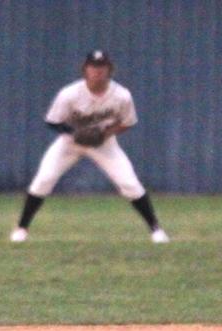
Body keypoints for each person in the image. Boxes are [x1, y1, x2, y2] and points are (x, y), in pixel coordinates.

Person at [10, 50, 168, 244]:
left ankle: (156, 229)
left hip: (103, 143)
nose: (97, 71)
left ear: (109, 70)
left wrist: (104, 134)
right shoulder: (70, 94)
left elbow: (127, 122)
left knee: (129, 183)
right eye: (93, 67)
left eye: (102, 67)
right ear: (85, 69)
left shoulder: (122, 96)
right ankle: (21, 229)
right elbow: (52, 122)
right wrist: (75, 134)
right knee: (44, 179)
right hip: (70, 143)